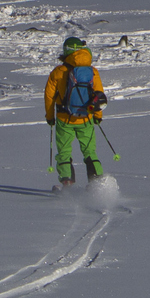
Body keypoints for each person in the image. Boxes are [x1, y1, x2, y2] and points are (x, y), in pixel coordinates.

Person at [43, 35, 109, 186]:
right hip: (86, 118)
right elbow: (99, 96)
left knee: (64, 152)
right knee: (89, 152)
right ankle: (97, 183)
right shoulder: (92, 71)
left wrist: (50, 117)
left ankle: (67, 184)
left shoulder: (58, 72)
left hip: (64, 118)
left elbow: (49, 96)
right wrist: (98, 115)